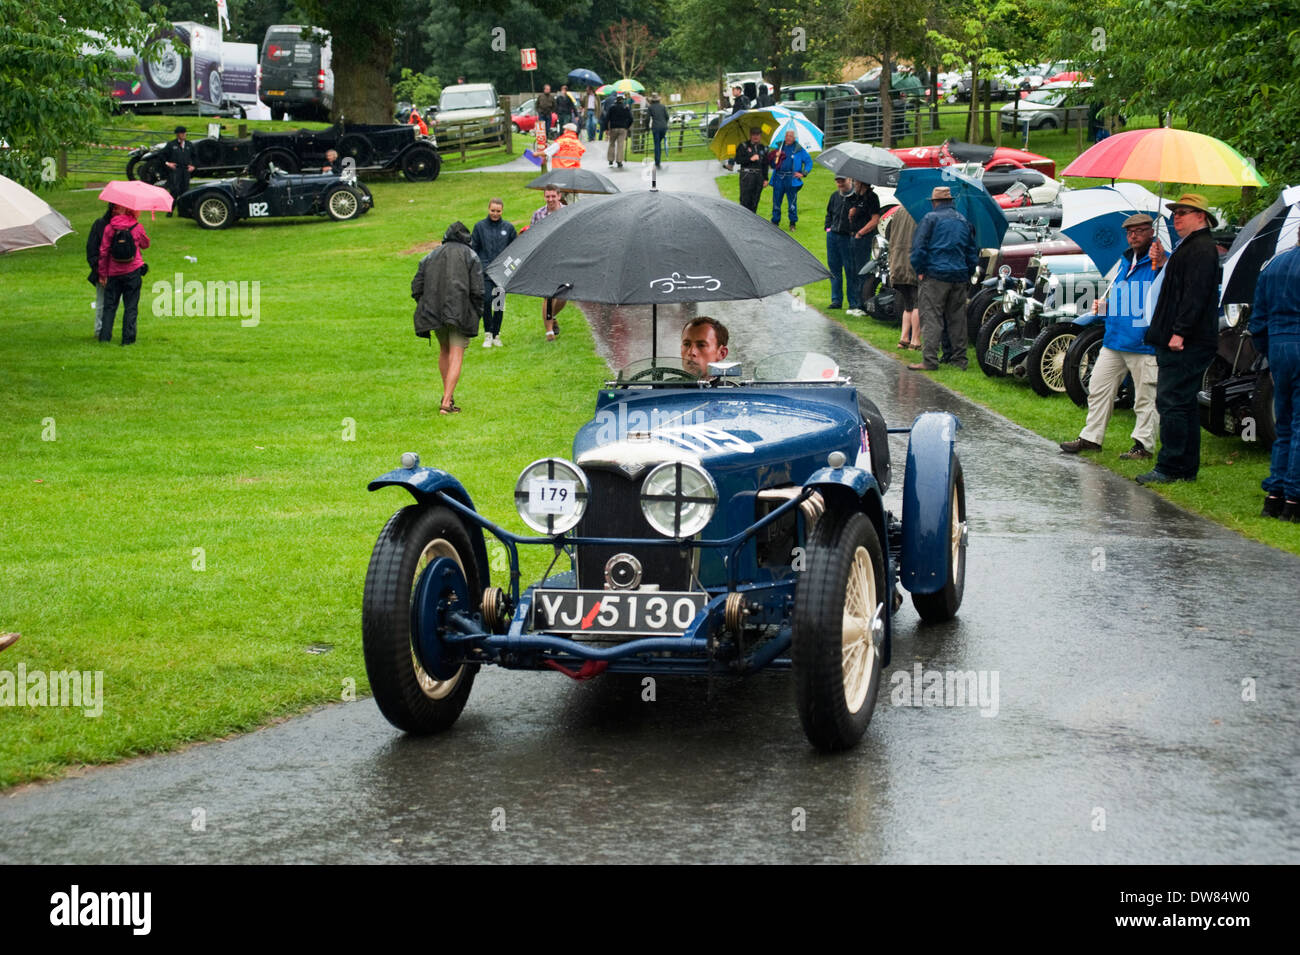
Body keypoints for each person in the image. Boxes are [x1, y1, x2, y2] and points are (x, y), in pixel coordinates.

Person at [1059, 213, 1162, 459]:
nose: (1133, 235)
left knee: (1146, 397)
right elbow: (1122, 298)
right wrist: (1103, 309)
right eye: (1129, 232)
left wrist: (1163, 261)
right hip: (1115, 338)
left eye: (1139, 230)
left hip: (1143, 343)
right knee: (1097, 387)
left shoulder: (1160, 262)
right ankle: (1091, 438)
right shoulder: (1126, 261)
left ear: (1151, 232)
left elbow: (1163, 295)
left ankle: (1143, 446)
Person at [1137, 193, 1221, 485]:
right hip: (1182, 337)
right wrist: (1161, 263)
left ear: (1201, 216)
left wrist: (1180, 332)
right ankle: (1185, 468)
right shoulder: (1190, 248)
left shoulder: (1202, 249)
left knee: (1171, 401)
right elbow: (1175, 288)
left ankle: (1170, 466)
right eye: (1174, 213)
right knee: (1182, 403)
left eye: (1182, 213)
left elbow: (1194, 295)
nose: (1176, 218)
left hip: (1187, 341)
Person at [1249, 234, 1300, 520]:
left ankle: (1274, 496)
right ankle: (1294, 499)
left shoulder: (1274, 265)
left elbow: (1258, 319)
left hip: (1279, 348)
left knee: (1285, 425)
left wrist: (1269, 349)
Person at [412, 221, 484, 415]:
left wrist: (427, 303)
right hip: (460, 312)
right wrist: (476, 312)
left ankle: (448, 396)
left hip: (434, 312)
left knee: (444, 350)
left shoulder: (430, 256)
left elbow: (416, 287)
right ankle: (446, 401)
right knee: (457, 352)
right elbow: (478, 290)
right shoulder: (471, 256)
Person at [908, 185, 977, 371]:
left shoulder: (930, 219)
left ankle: (929, 361)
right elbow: (971, 252)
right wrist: (967, 272)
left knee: (931, 317)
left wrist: (920, 269)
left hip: (935, 275)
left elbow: (918, 248)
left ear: (935, 202)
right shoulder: (963, 220)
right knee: (957, 319)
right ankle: (959, 360)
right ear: (951, 201)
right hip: (959, 275)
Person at [97, 203, 150, 345]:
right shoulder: (137, 227)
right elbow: (146, 244)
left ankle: (104, 337)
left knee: (110, 307)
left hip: (113, 273)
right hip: (133, 271)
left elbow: (103, 252)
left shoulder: (109, 228)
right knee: (131, 306)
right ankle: (128, 339)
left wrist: (102, 274)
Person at [470, 198, 517, 348]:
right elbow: (473, 249)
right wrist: (479, 268)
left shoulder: (508, 228)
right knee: (486, 300)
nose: (495, 213)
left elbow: (515, 250)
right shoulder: (479, 227)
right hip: (485, 272)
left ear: (502, 211)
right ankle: (487, 333)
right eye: (492, 210)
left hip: (502, 273)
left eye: (498, 211)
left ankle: (496, 334)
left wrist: (509, 268)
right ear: (488, 209)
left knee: (499, 304)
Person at [530, 186, 568, 340]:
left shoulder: (569, 211)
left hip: (565, 258)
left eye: (553, 196)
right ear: (544, 197)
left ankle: (550, 317)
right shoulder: (538, 214)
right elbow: (532, 237)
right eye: (548, 197)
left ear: (559, 196)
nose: (550, 199)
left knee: (564, 294)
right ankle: (549, 331)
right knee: (548, 295)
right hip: (545, 259)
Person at [845, 179, 881, 316]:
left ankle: (862, 304)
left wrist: (861, 233)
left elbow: (875, 219)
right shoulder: (858, 198)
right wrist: (852, 213)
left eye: (855, 182)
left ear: (862, 183)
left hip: (863, 238)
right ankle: (854, 303)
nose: (854, 184)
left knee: (862, 271)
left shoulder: (872, 198)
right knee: (853, 270)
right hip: (853, 237)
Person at [888, 207, 922, 350]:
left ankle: (903, 339)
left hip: (897, 262)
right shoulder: (921, 213)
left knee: (908, 304)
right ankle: (915, 340)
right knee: (918, 304)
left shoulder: (899, 211)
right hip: (912, 264)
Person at [768, 128, 811, 231]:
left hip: (791, 179)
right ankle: (775, 221)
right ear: (785, 137)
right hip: (779, 177)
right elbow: (772, 164)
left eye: (791, 136)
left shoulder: (799, 149)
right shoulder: (779, 147)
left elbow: (809, 162)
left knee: (792, 202)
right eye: (787, 136)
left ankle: (792, 223)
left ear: (794, 138)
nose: (788, 138)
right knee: (776, 200)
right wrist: (775, 158)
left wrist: (803, 173)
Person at [824, 176, 855, 310]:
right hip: (833, 236)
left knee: (850, 270)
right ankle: (836, 300)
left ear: (850, 180)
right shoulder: (834, 196)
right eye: (837, 181)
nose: (840, 184)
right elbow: (829, 214)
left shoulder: (855, 198)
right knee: (834, 269)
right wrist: (828, 228)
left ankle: (853, 302)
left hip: (847, 237)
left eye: (842, 181)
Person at [85, 202, 115, 339]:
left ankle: (105, 329)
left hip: (119, 271)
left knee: (113, 302)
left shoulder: (127, 226)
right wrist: (99, 270)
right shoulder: (100, 225)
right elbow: (92, 250)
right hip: (103, 269)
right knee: (102, 302)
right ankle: (100, 330)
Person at [733, 127, 770, 213]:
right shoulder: (743, 146)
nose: (755, 137)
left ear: (760, 136)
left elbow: (765, 164)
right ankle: (744, 220)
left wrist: (765, 178)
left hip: (759, 176)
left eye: (757, 134)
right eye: (753, 134)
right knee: (745, 200)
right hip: (747, 176)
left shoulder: (763, 148)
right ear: (750, 135)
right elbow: (738, 160)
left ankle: (753, 221)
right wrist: (750, 158)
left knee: (755, 200)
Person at [161, 125, 195, 218]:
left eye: (185, 133)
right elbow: (162, 155)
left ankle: (184, 211)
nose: (184, 135)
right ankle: (170, 210)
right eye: (182, 133)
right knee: (175, 190)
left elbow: (195, 156)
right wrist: (168, 163)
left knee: (185, 190)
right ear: (177, 134)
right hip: (176, 170)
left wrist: (193, 166)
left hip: (185, 170)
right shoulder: (171, 145)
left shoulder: (189, 144)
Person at [605, 94, 633, 168]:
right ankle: (619, 161)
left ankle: (610, 159)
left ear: (616, 100)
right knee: (620, 145)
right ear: (622, 100)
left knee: (612, 143)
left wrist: (607, 128)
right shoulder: (625, 108)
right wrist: (627, 126)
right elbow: (631, 119)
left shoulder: (612, 108)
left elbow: (607, 118)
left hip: (613, 128)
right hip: (623, 128)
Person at [647, 93, 670, 169]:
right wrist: (665, 123)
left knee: (657, 144)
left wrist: (646, 127)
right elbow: (667, 116)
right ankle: (658, 160)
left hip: (656, 127)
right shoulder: (663, 106)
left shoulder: (650, 108)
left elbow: (647, 118)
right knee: (658, 143)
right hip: (663, 127)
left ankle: (657, 161)